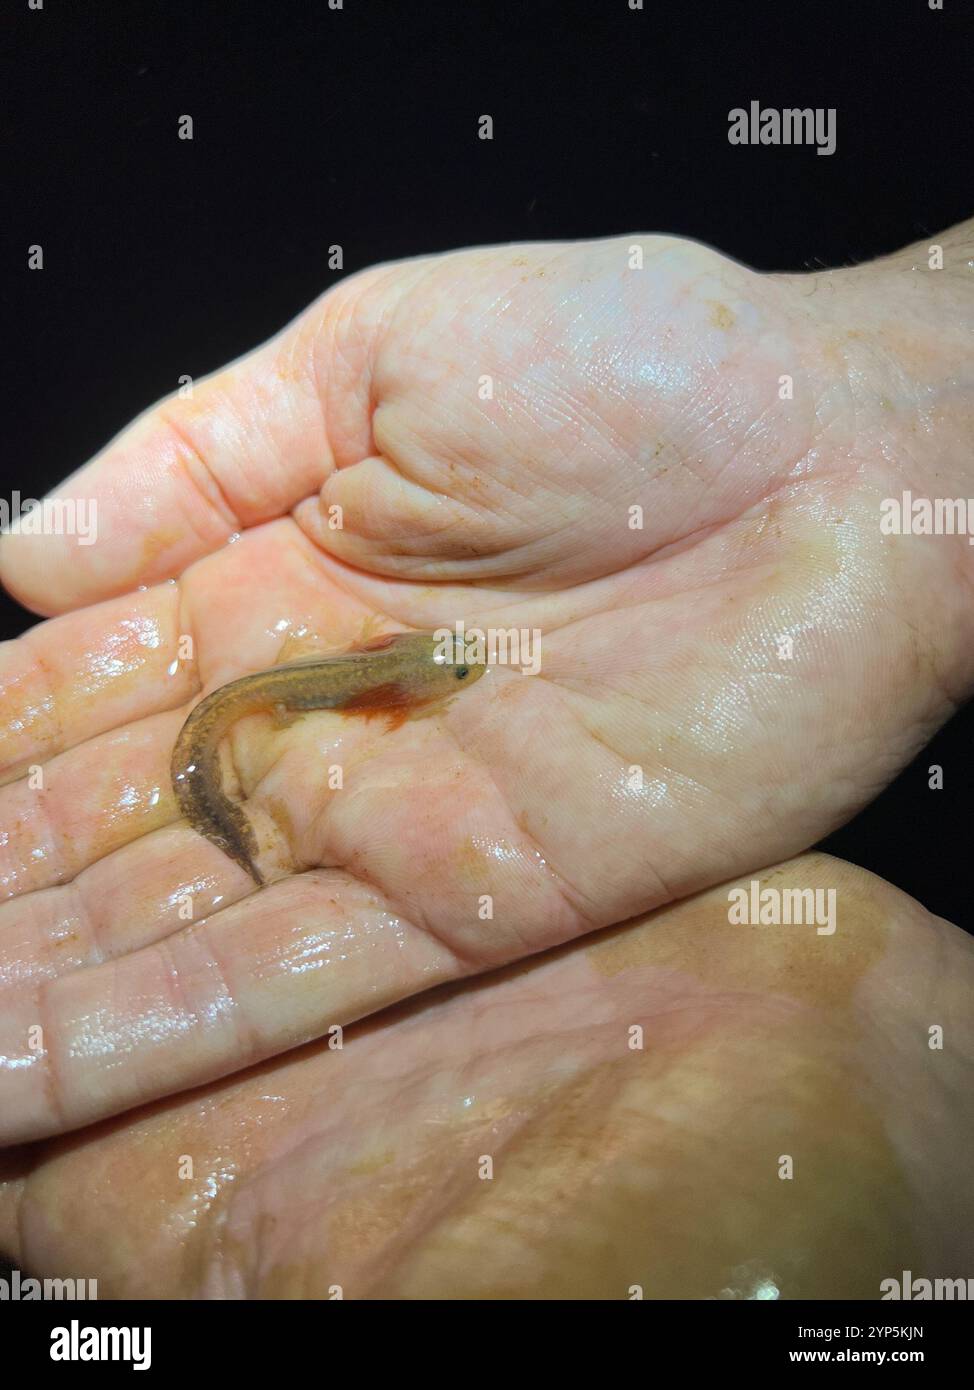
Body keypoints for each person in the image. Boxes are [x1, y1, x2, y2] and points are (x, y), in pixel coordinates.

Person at [1, 226, 972, 1294]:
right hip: (273, 701)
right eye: (453, 673)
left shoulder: (381, 676)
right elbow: (369, 689)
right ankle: (218, 806)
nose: (463, 672)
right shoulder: (373, 686)